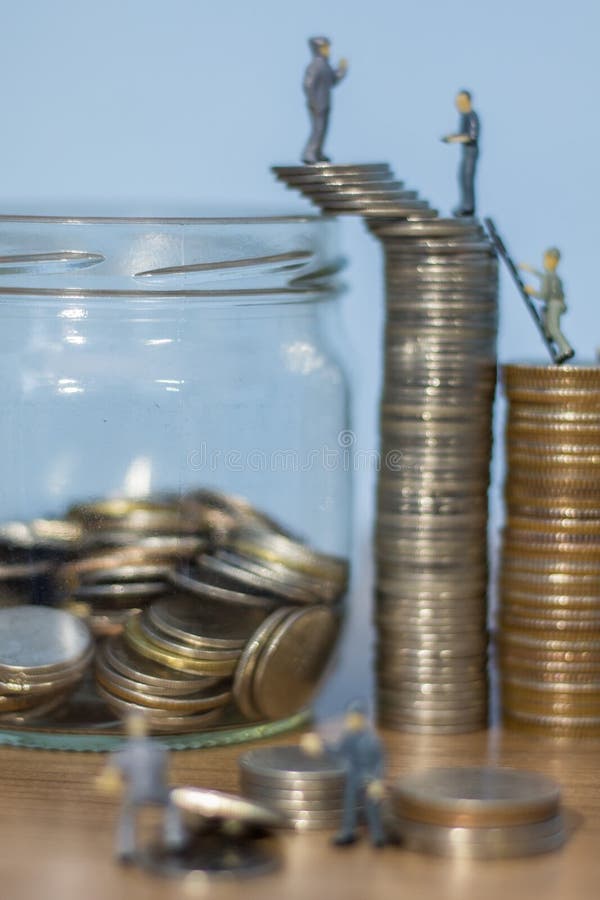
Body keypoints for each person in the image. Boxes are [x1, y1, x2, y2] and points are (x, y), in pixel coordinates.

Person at [95, 712, 186, 863]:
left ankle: (125, 849)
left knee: (126, 815)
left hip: (136, 793)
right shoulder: (158, 750)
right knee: (173, 802)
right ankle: (174, 839)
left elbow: (110, 778)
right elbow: (169, 777)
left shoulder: (122, 753)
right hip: (156, 791)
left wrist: (104, 784)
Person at [301, 700, 387, 847]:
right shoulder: (349, 737)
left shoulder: (372, 740)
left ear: (362, 718)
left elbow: (380, 761)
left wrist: (378, 781)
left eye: (354, 717)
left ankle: (377, 835)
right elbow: (338, 752)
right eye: (349, 717)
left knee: (372, 806)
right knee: (349, 804)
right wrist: (322, 747)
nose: (350, 721)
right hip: (353, 774)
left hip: (369, 776)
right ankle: (348, 832)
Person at [520, 248, 575, 363]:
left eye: (547, 259)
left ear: (552, 260)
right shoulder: (553, 276)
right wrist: (529, 269)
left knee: (554, 328)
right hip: (559, 304)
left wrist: (531, 291)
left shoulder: (549, 277)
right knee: (551, 325)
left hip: (554, 304)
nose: (545, 262)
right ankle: (554, 341)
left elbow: (543, 295)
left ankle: (566, 349)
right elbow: (542, 275)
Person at [302, 37, 348, 165]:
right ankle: (309, 153)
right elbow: (308, 85)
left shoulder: (325, 66)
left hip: (325, 103)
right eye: (324, 48)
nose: (327, 51)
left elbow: (333, 80)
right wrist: (313, 101)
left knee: (323, 129)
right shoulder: (315, 66)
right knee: (318, 129)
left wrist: (342, 70)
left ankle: (318, 152)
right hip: (317, 104)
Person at [442, 90, 480, 217]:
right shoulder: (465, 116)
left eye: (461, 102)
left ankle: (468, 206)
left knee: (467, 178)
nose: (458, 104)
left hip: (471, 152)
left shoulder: (472, 116)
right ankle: (465, 204)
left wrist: (454, 139)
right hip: (466, 151)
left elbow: (471, 136)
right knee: (463, 177)